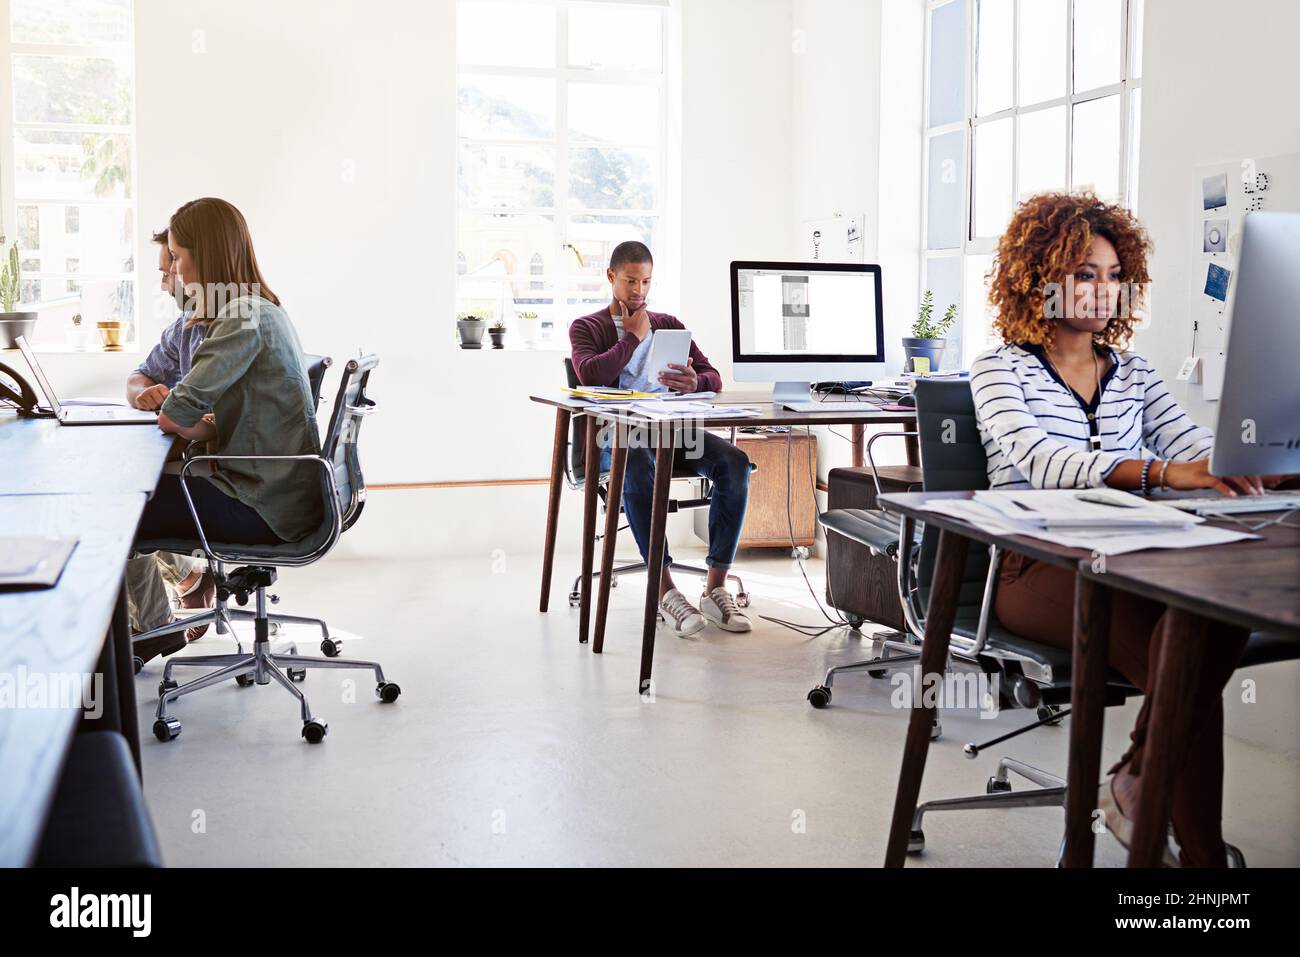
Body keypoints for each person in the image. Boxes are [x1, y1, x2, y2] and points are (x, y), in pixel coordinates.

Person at [971, 191, 1291, 866]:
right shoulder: (1000, 368)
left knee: (1210, 616)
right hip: (1036, 565)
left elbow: (1192, 444)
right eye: (1084, 273)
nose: (1102, 291)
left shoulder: (1134, 372)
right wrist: (1165, 475)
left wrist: (1255, 457)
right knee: (1187, 664)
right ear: (1039, 278)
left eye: (1114, 276)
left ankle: (1136, 781)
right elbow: (1044, 461)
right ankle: (1197, 856)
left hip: (1133, 556)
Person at [131, 198, 324, 663]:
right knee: (137, 494)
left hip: (261, 504)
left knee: (117, 510)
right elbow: (196, 415)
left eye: (176, 257)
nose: (172, 270)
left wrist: (183, 413)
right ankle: (158, 623)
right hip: (271, 491)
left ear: (207, 254)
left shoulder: (240, 316)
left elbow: (176, 414)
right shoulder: (256, 308)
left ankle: (145, 634)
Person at [569, 241, 752, 637]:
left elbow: (713, 375)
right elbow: (590, 376)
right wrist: (631, 338)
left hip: (671, 433)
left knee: (734, 462)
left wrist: (695, 381)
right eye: (631, 280)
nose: (639, 290)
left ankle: (715, 588)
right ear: (611, 277)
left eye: (646, 281)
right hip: (612, 439)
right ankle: (664, 589)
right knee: (634, 461)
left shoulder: (667, 324)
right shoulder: (587, 327)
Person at [124, 228, 215, 650]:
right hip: (192, 462)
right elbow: (138, 374)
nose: (165, 281)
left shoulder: (230, 326)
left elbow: (199, 419)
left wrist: (170, 416)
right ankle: (186, 578)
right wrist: (144, 391)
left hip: (216, 477)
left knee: (121, 512)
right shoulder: (185, 324)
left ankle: (154, 625)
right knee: (131, 491)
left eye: (171, 265)